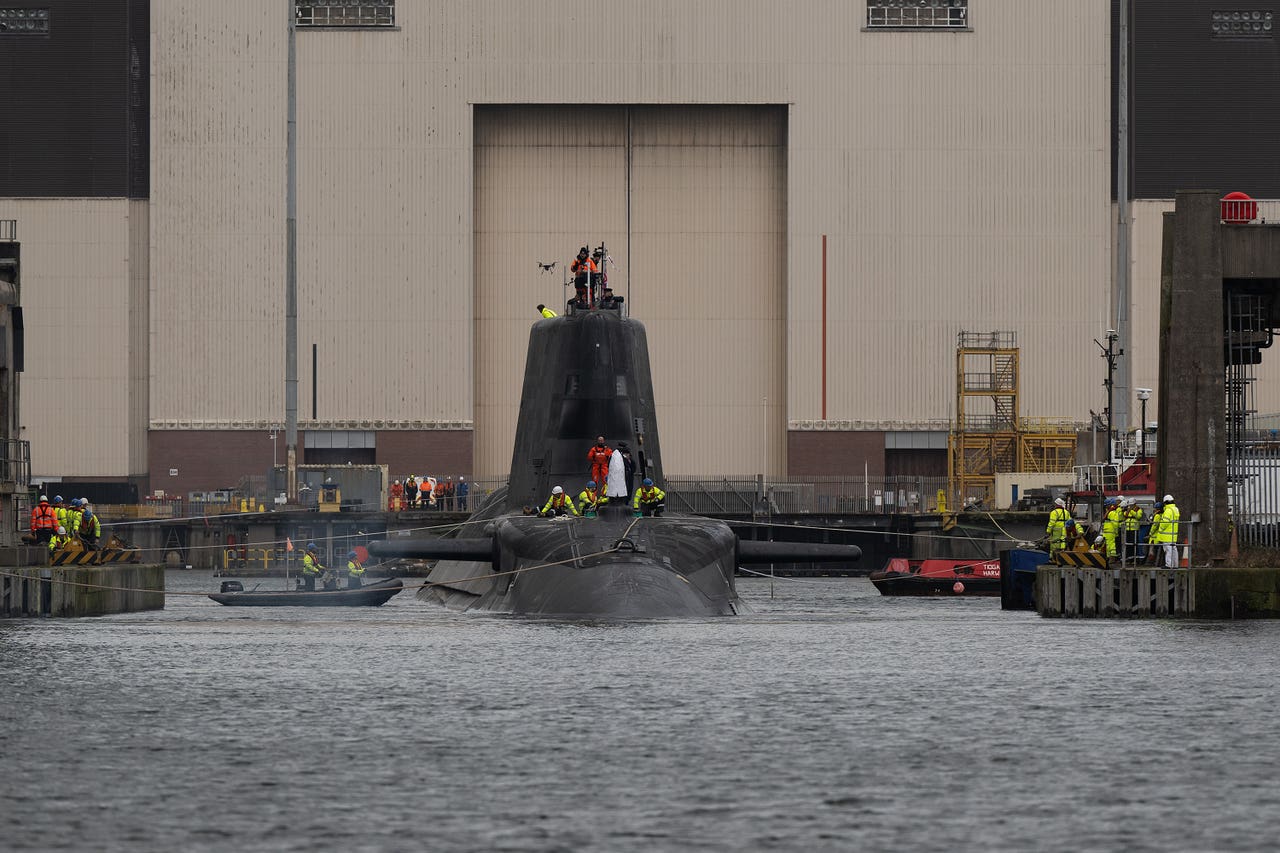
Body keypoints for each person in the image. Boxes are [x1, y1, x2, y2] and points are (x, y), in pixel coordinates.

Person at [1156, 494, 1180, 568]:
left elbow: (1165, 522)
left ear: (1165, 502)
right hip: (1173, 534)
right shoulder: (1176, 509)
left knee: (1168, 550)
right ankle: (1175, 565)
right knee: (1174, 549)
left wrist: (1160, 529)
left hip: (1167, 535)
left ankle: (1169, 565)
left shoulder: (1168, 510)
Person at [1148, 500, 1166, 566]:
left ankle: (1152, 563)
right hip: (1160, 535)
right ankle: (1158, 562)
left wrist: (1150, 533)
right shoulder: (1163, 515)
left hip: (1154, 537)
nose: (1154, 510)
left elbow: (1155, 525)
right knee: (1159, 550)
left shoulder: (1157, 516)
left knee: (1152, 551)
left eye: (1155, 508)